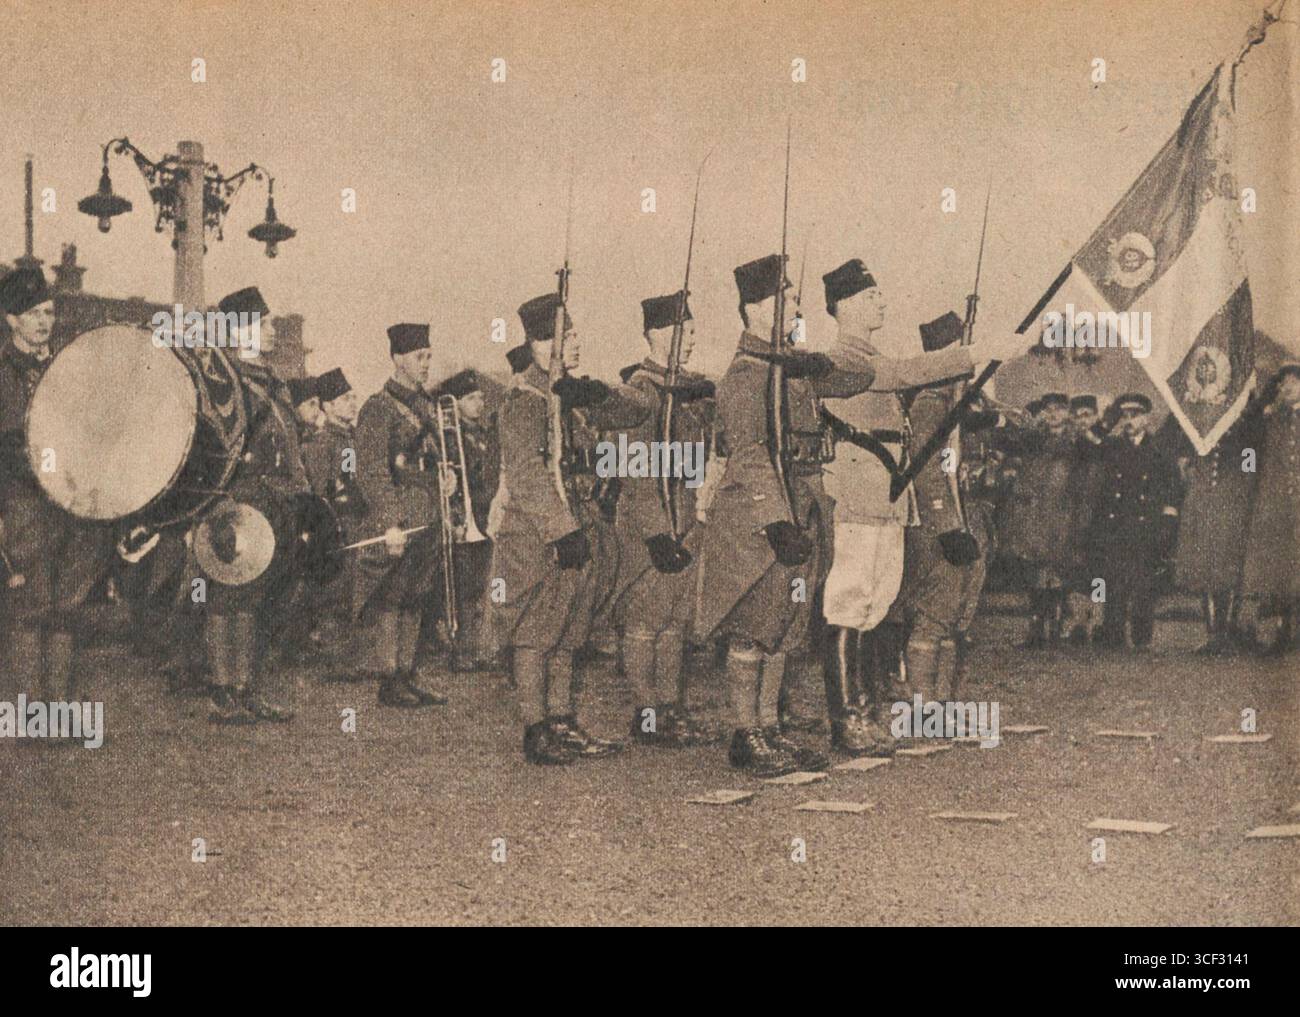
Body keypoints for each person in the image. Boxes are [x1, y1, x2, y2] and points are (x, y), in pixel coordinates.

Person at [813, 259, 1031, 747]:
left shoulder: (871, 357)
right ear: (846, 305)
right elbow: (903, 373)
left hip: (884, 503)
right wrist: (978, 351)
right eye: (872, 296)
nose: (882, 302)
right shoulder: (844, 360)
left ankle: (865, 711)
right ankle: (847, 718)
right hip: (854, 502)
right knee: (848, 607)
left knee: (872, 608)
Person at [489, 292, 650, 765]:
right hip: (538, 535)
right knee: (537, 633)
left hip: (578, 526)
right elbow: (526, 474)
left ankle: (562, 720)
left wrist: (597, 392)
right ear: (540, 344)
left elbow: (633, 411)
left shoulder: (569, 396)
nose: (576, 342)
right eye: (566, 336)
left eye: (576, 333)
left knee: (569, 630)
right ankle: (536, 728)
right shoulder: (524, 400)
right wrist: (561, 530)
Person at [196, 285, 313, 723]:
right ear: (241, 329)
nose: (272, 332)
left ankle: (246, 689)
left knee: (254, 598)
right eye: (263, 325)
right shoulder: (223, 380)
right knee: (226, 594)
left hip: (272, 500)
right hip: (235, 497)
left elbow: (290, 443)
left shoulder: (272, 379)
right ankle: (222, 691)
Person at [610, 290, 720, 747]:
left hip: (683, 515)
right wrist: (657, 532)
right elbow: (634, 471)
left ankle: (671, 709)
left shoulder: (686, 389)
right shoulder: (640, 389)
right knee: (644, 621)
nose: (691, 340)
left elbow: (693, 461)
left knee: (675, 621)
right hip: (647, 520)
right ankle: (646, 714)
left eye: (693, 331)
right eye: (683, 331)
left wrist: (694, 518)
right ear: (657, 334)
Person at [0, 266, 112, 706]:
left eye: (48, 311)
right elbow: (9, 448)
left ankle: (58, 708)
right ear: (12, 320)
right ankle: (32, 713)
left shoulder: (69, 367)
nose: (44, 321)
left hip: (73, 503)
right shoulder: (4, 373)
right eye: (33, 313)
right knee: (30, 607)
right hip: (26, 504)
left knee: (69, 606)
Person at [890, 311, 1005, 702]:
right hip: (942, 523)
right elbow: (927, 473)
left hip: (971, 515)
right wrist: (946, 525)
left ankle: (944, 702)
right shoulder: (929, 405)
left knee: (958, 618)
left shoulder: (969, 405)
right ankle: (923, 705)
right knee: (933, 616)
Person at [349, 322, 448, 707]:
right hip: (399, 516)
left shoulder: (425, 405)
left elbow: (432, 458)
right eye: (419, 357)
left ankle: (408, 673)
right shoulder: (378, 407)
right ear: (397, 358)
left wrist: (447, 478)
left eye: (428, 356)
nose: (426, 364)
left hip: (428, 513)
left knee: (417, 594)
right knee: (392, 595)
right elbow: (371, 471)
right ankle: (389, 678)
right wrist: (389, 521)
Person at [1085, 393, 1181, 650]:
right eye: (1124, 416)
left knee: (1143, 585)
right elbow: (1086, 446)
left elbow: (1173, 488)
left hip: (1145, 526)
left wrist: (1167, 524)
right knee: (1114, 582)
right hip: (1115, 524)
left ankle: (1141, 636)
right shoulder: (1113, 445)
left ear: (1147, 418)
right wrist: (1107, 422)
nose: (1129, 421)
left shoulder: (1160, 450)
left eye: (1134, 415)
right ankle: (1113, 634)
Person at [1160, 406, 1257, 654]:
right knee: (1203, 564)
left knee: (1229, 563)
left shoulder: (1245, 423)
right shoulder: (1196, 417)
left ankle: (1228, 630)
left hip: (1231, 499)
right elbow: (1170, 440)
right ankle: (1213, 632)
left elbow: (1250, 460)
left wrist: (1243, 493)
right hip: (1203, 500)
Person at [999, 392, 1079, 647]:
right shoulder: (1034, 439)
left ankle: (1058, 623)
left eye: (1059, 409)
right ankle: (1036, 625)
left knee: (1057, 569)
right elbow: (1013, 447)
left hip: (1062, 511)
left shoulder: (1076, 442)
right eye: (1048, 409)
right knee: (1034, 570)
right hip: (1035, 511)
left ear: (1068, 413)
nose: (1053, 414)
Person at [431, 368, 498, 672]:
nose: (479, 403)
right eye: (471, 398)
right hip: (463, 518)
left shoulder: (484, 433)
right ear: (455, 403)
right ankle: (462, 650)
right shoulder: (448, 436)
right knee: (464, 587)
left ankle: (482, 646)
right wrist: (457, 519)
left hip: (486, 517)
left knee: (485, 584)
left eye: (481, 397)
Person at [1240, 363, 1300, 655]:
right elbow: (1247, 428)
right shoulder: (1270, 417)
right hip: (1276, 503)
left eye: (1293, 382)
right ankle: (1280, 629)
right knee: (1279, 570)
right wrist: (1263, 396)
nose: (1286, 388)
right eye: (1283, 383)